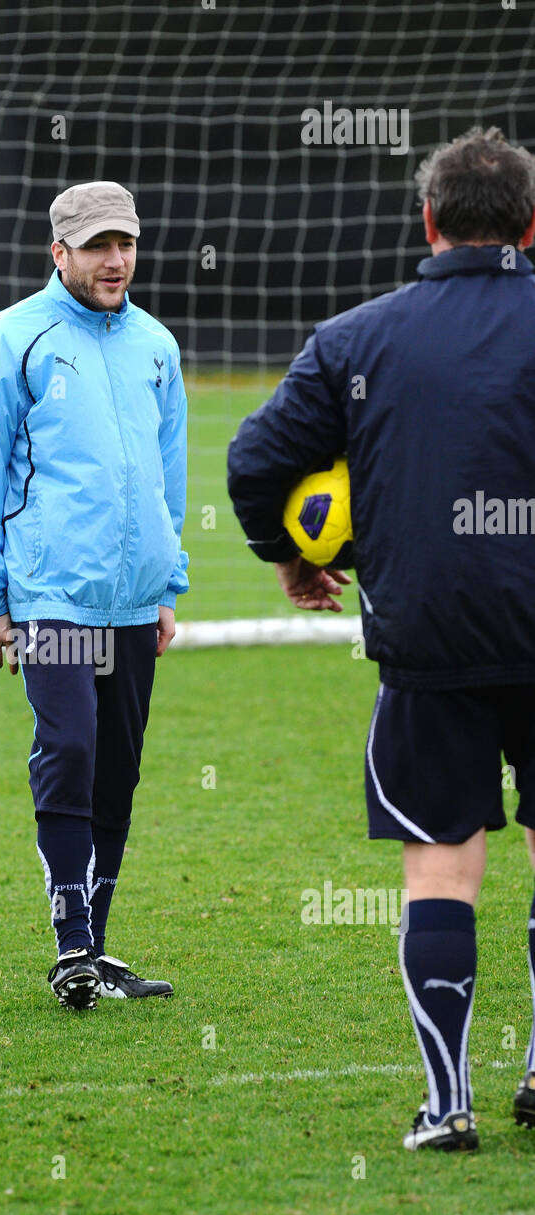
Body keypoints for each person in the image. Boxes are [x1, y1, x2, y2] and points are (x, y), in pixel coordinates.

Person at [227, 127, 535, 1150]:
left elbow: (253, 462)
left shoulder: (355, 338)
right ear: (528, 226)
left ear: (427, 221)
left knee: (440, 871)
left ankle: (445, 1104)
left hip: (425, 642)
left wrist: (288, 551)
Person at [0, 181, 188, 1008]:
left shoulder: (157, 344)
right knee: (72, 750)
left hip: (133, 600)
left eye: (124, 242)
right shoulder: (10, 339)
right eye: (95, 246)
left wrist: (167, 584)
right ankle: (71, 945)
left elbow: (169, 474)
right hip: (51, 594)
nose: (114, 260)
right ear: (60, 253)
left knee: (118, 769)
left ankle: (100, 946)